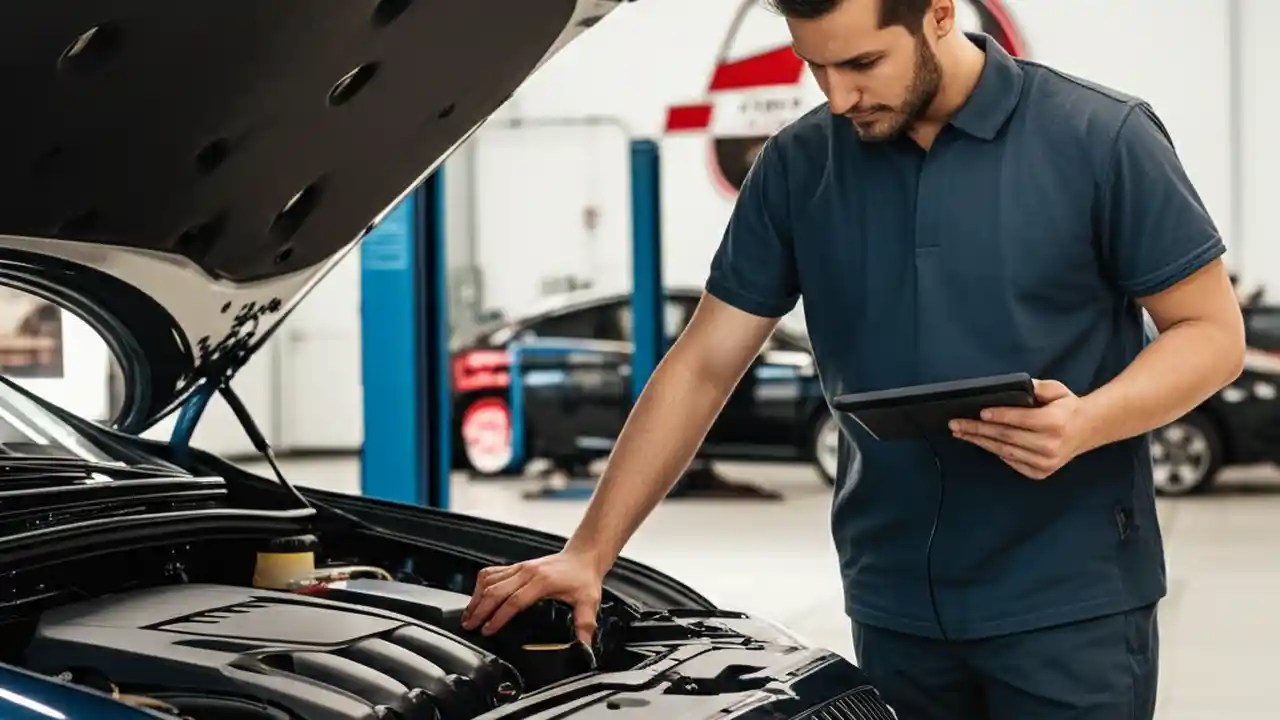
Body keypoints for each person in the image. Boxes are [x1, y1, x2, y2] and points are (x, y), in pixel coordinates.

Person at [461, 1, 1246, 717]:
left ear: (939, 13)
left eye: (863, 64)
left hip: (1070, 607)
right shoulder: (799, 167)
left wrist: (1088, 421)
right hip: (893, 607)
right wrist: (588, 552)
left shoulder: (1098, 137)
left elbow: (1212, 334)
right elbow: (703, 364)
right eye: (815, 66)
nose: (838, 97)